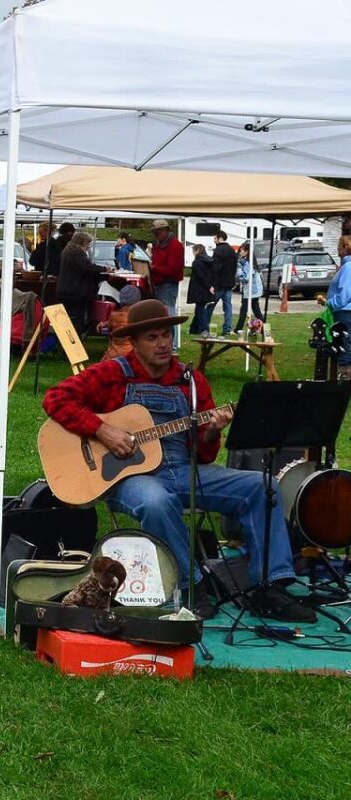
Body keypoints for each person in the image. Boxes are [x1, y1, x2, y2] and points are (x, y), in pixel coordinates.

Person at [42, 299, 314, 623]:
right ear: (136, 343)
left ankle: (271, 585)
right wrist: (103, 431)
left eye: (166, 336)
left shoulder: (192, 381)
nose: (161, 344)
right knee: (157, 502)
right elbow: (55, 398)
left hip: (184, 469)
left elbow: (204, 455)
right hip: (127, 477)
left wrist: (211, 432)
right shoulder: (113, 374)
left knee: (262, 486)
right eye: (152, 338)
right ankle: (190, 585)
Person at [57, 231, 103, 335]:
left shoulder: (68, 250)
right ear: (81, 243)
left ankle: (67, 340)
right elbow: (87, 268)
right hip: (75, 291)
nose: (88, 247)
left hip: (66, 290)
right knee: (77, 319)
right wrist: (104, 268)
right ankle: (75, 340)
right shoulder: (77, 252)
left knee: (69, 318)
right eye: (87, 244)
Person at [148, 219, 184, 351]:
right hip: (160, 283)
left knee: (169, 316)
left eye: (157, 232)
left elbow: (173, 270)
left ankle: (172, 346)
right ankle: (165, 344)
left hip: (168, 285)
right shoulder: (160, 244)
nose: (156, 235)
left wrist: (154, 268)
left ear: (165, 231)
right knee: (162, 317)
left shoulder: (175, 246)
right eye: (155, 233)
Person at [326, 235, 351, 381]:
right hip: (344, 311)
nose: (337, 249)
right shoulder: (345, 265)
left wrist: (331, 302)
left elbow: (345, 293)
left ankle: (345, 379)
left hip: (346, 312)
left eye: (339, 246)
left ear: (346, 248)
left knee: (345, 346)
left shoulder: (348, 267)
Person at [209, 230, 238, 336]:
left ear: (220, 238)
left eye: (215, 238)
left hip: (219, 284)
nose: (214, 240)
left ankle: (205, 326)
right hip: (229, 283)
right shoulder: (232, 250)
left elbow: (215, 268)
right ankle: (227, 328)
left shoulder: (218, 251)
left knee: (210, 306)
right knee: (228, 307)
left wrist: (212, 283)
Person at [234, 242, 264, 333]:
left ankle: (238, 329)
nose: (240, 252)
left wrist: (239, 271)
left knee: (244, 309)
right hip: (255, 290)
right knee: (256, 309)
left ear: (247, 252)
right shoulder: (251, 262)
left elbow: (246, 278)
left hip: (251, 290)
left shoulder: (247, 263)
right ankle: (263, 327)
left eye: (241, 251)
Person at [186, 244, 216, 335]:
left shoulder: (197, 262)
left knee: (200, 310)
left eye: (194, 251)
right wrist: (211, 286)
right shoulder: (210, 261)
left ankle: (204, 329)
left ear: (197, 251)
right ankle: (194, 328)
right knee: (199, 309)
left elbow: (200, 276)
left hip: (199, 289)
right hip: (206, 288)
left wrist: (208, 286)